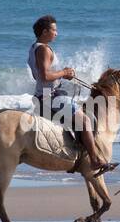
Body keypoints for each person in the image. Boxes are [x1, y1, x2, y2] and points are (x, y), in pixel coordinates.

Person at [27, 15, 114, 175]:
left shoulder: (34, 48)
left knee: (78, 115)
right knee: (86, 120)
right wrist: (64, 72)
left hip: (43, 94)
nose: (56, 33)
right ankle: (94, 160)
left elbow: (37, 76)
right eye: (54, 30)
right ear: (45, 31)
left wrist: (62, 75)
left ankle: (77, 151)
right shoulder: (44, 49)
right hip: (50, 96)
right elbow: (45, 76)